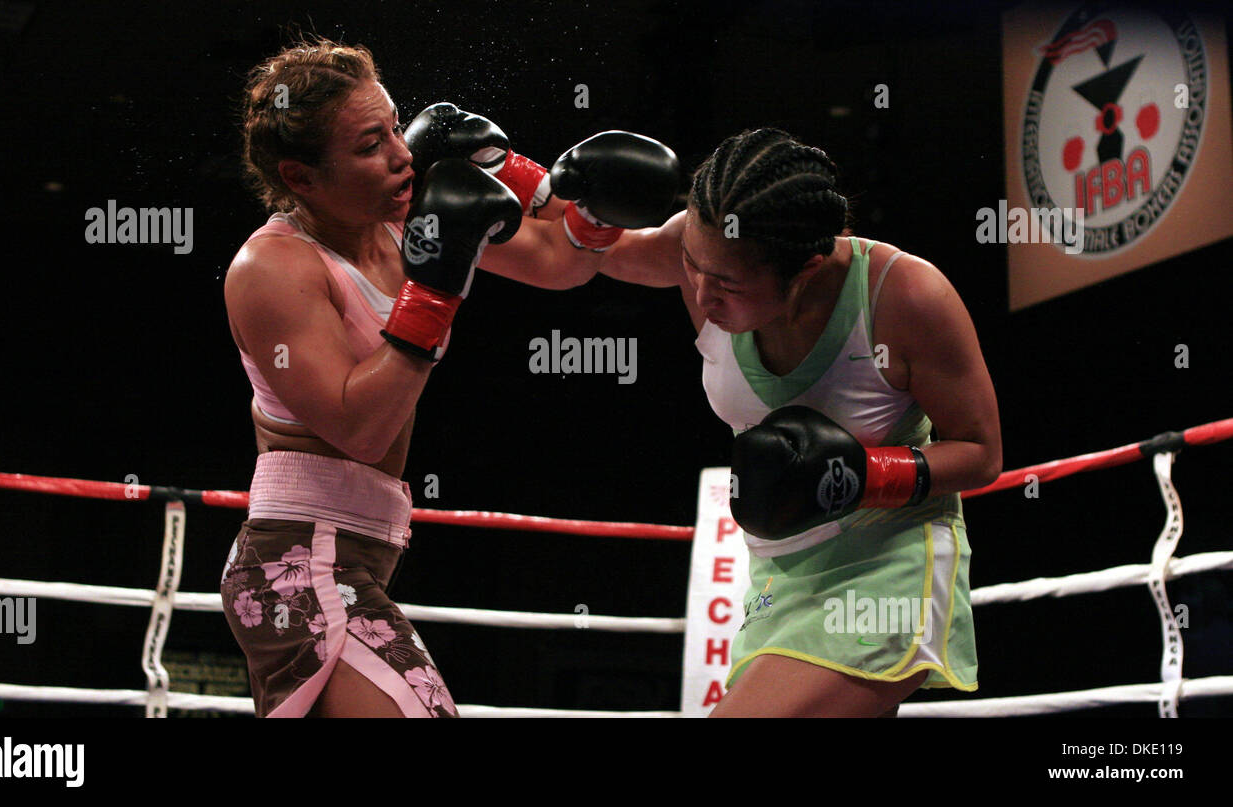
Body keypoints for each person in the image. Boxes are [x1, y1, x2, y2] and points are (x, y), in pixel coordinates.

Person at [218, 37, 678, 717]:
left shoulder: (404, 218)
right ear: (302, 176)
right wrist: (434, 290)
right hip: (297, 563)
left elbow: (560, 262)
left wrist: (533, 179)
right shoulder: (274, 270)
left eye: (394, 127)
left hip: (358, 553)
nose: (402, 153)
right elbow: (361, 426)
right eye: (370, 145)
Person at [485, 127, 1002, 717]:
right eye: (691, 265)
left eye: (727, 283)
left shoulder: (904, 295)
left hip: (886, 566)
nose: (701, 293)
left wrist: (865, 473)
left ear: (804, 268)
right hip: (778, 576)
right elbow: (587, 246)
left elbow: (981, 452)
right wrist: (505, 166)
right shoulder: (702, 251)